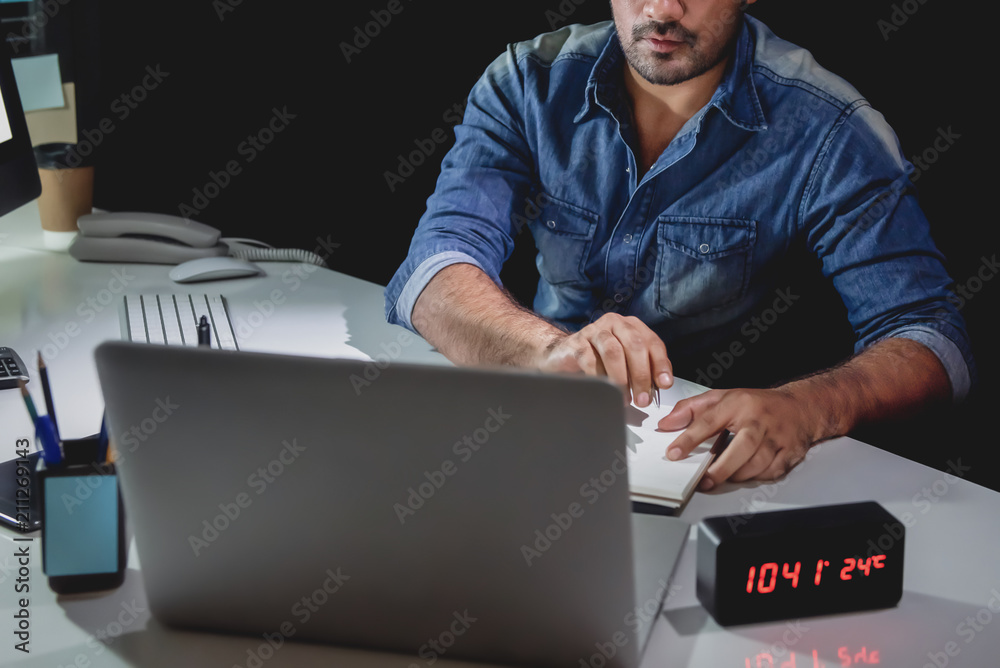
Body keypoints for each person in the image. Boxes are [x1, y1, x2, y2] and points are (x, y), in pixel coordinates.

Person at [384, 0, 974, 490]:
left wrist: (807, 407)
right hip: (532, 432)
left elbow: (931, 339)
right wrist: (543, 351)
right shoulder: (525, 83)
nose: (663, 9)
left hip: (712, 469)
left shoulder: (830, 130)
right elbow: (434, 267)